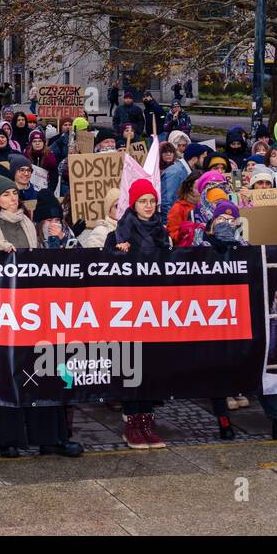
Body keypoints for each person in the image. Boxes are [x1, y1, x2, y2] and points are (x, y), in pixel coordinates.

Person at [105, 179, 171, 450]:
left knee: (153, 366)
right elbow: (103, 270)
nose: (147, 206)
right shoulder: (119, 233)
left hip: (154, 309)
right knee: (133, 368)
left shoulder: (161, 232)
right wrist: (116, 255)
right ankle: (132, 424)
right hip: (128, 311)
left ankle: (147, 422)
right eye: (142, 201)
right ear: (132, 204)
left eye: (151, 201)